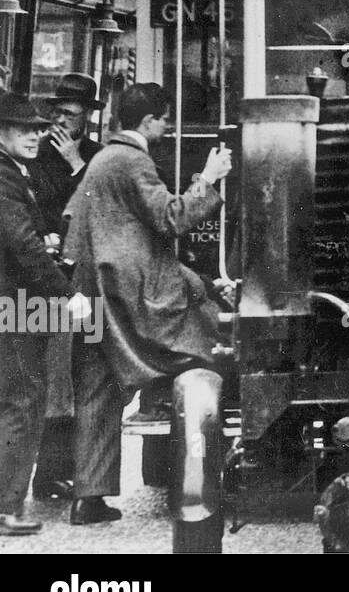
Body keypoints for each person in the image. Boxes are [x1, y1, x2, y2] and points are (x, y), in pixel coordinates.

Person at [63, 83, 232, 526]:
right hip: (129, 297)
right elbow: (171, 218)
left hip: (94, 293)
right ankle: (193, 468)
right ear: (149, 121)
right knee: (203, 341)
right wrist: (209, 179)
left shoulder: (101, 161)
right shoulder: (132, 160)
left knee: (97, 394)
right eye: (164, 118)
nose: (168, 126)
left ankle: (89, 496)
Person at [0, 92, 88, 536]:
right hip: (15, 306)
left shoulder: (16, 172)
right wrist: (64, 292)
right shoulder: (4, 175)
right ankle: (7, 507)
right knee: (23, 400)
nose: (35, 135)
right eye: (23, 129)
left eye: (38, 128)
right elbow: (20, 244)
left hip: (13, 302)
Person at [27, 73, 103, 502]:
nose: (60, 121)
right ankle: (47, 474)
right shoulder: (34, 156)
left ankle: (73, 470)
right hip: (47, 281)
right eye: (56, 112)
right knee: (53, 376)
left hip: (84, 282)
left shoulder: (95, 157)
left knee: (82, 372)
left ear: (86, 119)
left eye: (69, 115)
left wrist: (77, 164)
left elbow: (95, 209)